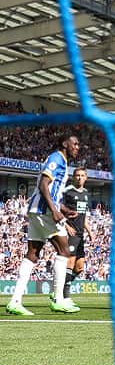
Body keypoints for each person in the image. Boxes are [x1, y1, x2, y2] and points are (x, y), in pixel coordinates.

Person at [6, 134, 82, 315]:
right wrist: (54, 211)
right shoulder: (57, 158)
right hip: (44, 211)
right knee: (64, 250)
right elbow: (43, 185)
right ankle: (58, 299)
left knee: (32, 254)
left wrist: (62, 209)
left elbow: (52, 193)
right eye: (75, 144)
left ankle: (15, 301)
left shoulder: (62, 162)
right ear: (65, 144)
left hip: (38, 211)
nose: (77, 147)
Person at [61, 166, 91, 299]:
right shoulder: (67, 191)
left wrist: (89, 230)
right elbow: (56, 208)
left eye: (82, 175)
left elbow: (83, 215)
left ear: (86, 178)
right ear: (73, 177)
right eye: (77, 175)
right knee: (70, 263)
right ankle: (64, 297)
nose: (80, 178)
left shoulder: (85, 193)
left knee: (79, 268)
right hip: (71, 232)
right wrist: (66, 225)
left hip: (80, 234)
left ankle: (61, 287)